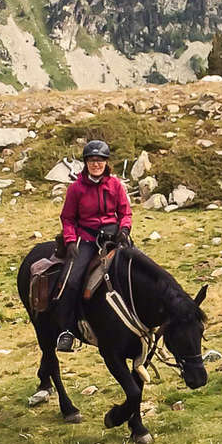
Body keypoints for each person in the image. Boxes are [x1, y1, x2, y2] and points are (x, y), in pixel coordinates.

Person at [54, 140, 132, 351]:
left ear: (106, 163)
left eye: (100, 160)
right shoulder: (76, 189)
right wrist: (70, 241)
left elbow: (125, 212)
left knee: (139, 271)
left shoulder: (116, 185)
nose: (96, 164)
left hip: (114, 237)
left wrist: (124, 230)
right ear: (86, 163)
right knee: (70, 281)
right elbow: (68, 218)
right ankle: (67, 330)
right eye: (92, 160)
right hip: (87, 240)